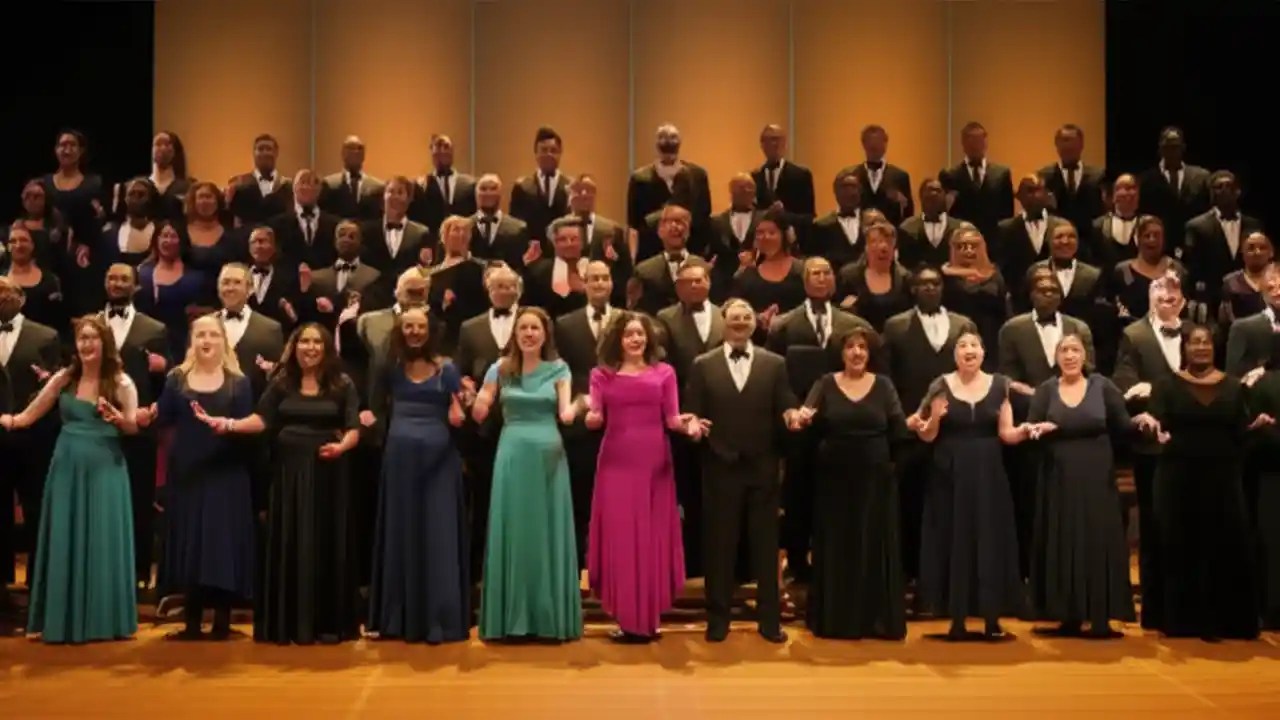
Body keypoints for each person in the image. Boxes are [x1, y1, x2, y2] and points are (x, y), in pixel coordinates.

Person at [192, 322, 362, 644]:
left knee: (325, 545)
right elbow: (261, 420)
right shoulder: (281, 383)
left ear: (326, 348)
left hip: (328, 477)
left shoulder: (342, 384)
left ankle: (325, 624)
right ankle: (289, 624)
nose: (310, 348)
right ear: (294, 347)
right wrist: (226, 424)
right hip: (287, 477)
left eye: (316, 342)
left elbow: (353, 426)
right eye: (304, 342)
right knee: (291, 543)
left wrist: (342, 447)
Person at [3, 315, 138, 644]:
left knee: (101, 537)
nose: (87, 344)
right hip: (67, 467)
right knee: (66, 535)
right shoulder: (64, 379)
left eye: (93, 338)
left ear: (104, 343)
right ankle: (61, 619)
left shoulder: (121, 383)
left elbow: (134, 427)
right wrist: (7, 419)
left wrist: (119, 419)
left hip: (106, 470)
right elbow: (27, 416)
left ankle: (102, 621)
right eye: (82, 338)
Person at [684, 298, 799, 644]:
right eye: (733, 317)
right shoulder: (702, 365)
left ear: (754, 324)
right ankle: (717, 620)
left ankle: (769, 621)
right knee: (719, 548)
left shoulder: (774, 364)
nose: (740, 322)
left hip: (763, 467)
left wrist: (793, 416)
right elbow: (692, 411)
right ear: (723, 321)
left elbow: (786, 404)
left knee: (766, 547)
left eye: (746, 317)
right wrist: (691, 425)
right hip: (720, 467)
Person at [1026, 333, 1154, 638]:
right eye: (1064, 351)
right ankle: (1066, 615)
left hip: (1096, 475)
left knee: (1098, 540)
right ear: (1056, 357)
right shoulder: (1046, 390)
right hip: (1058, 476)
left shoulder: (1103, 386)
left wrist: (1142, 421)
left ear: (1085, 355)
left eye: (1075, 350)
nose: (1069, 356)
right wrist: (1037, 430)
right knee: (1063, 538)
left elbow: (1122, 427)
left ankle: (1100, 616)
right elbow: (1031, 427)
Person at [910, 328, 1030, 641]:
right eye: (962, 345)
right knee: (953, 538)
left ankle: (992, 619)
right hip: (949, 472)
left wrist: (1027, 430)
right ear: (955, 355)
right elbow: (925, 432)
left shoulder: (1000, 385)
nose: (968, 350)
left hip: (989, 473)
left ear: (983, 352)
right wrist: (934, 418)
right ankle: (957, 619)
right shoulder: (941, 384)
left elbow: (1006, 433)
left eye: (974, 345)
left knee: (990, 539)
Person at [140, 314, 255, 640]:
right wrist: (144, 415)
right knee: (190, 542)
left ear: (223, 341)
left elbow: (247, 429)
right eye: (200, 335)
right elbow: (160, 415)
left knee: (221, 544)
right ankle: (191, 620)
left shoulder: (239, 382)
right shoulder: (177, 379)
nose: (206, 341)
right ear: (192, 341)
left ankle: (221, 620)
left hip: (226, 472)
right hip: (188, 472)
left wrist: (226, 426)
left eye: (213, 335)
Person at [789, 326, 908, 640]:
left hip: (875, 478)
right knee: (837, 545)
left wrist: (925, 421)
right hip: (834, 480)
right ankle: (837, 620)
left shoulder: (883, 385)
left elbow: (899, 426)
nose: (857, 353)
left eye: (863, 348)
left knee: (873, 542)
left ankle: (875, 620)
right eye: (851, 347)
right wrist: (800, 418)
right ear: (841, 353)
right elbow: (805, 414)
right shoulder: (825, 384)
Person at [1147, 324, 1264, 641]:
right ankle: (1183, 622)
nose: (1201, 347)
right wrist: (1154, 429)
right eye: (1194, 342)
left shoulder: (1234, 388)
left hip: (1223, 479)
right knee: (1180, 545)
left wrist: (1256, 428)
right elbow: (1156, 421)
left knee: (1226, 544)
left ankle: (1228, 622)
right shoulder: (1166, 385)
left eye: (1207, 342)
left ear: (1216, 348)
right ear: (1184, 348)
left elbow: (1240, 433)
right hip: (1178, 479)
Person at [471, 306, 582, 642]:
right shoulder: (499, 368)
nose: (529, 333)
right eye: (524, 328)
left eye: (535, 328)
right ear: (515, 335)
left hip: (549, 455)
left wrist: (583, 403)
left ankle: (548, 620)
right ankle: (511, 619)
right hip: (513, 454)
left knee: (546, 531)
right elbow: (480, 409)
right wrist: (470, 400)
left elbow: (565, 414)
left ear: (545, 333)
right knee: (515, 528)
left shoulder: (559, 369)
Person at [585, 311, 694, 643]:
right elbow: (595, 418)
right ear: (618, 338)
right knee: (621, 536)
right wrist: (588, 414)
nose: (636, 339)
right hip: (616, 461)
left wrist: (688, 425)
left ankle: (647, 618)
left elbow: (672, 419)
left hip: (654, 462)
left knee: (649, 536)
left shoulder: (665, 373)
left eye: (641, 334)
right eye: (629, 334)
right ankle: (627, 617)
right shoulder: (601, 375)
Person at [366, 307, 470, 644]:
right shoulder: (390, 367)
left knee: (438, 534)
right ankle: (398, 617)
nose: (414, 332)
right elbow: (374, 408)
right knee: (402, 532)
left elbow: (459, 409)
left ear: (430, 331)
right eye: (408, 326)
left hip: (440, 463)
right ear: (400, 330)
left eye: (420, 326)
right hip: (399, 461)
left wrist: (459, 410)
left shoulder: (447, 368)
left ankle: (440, 618)